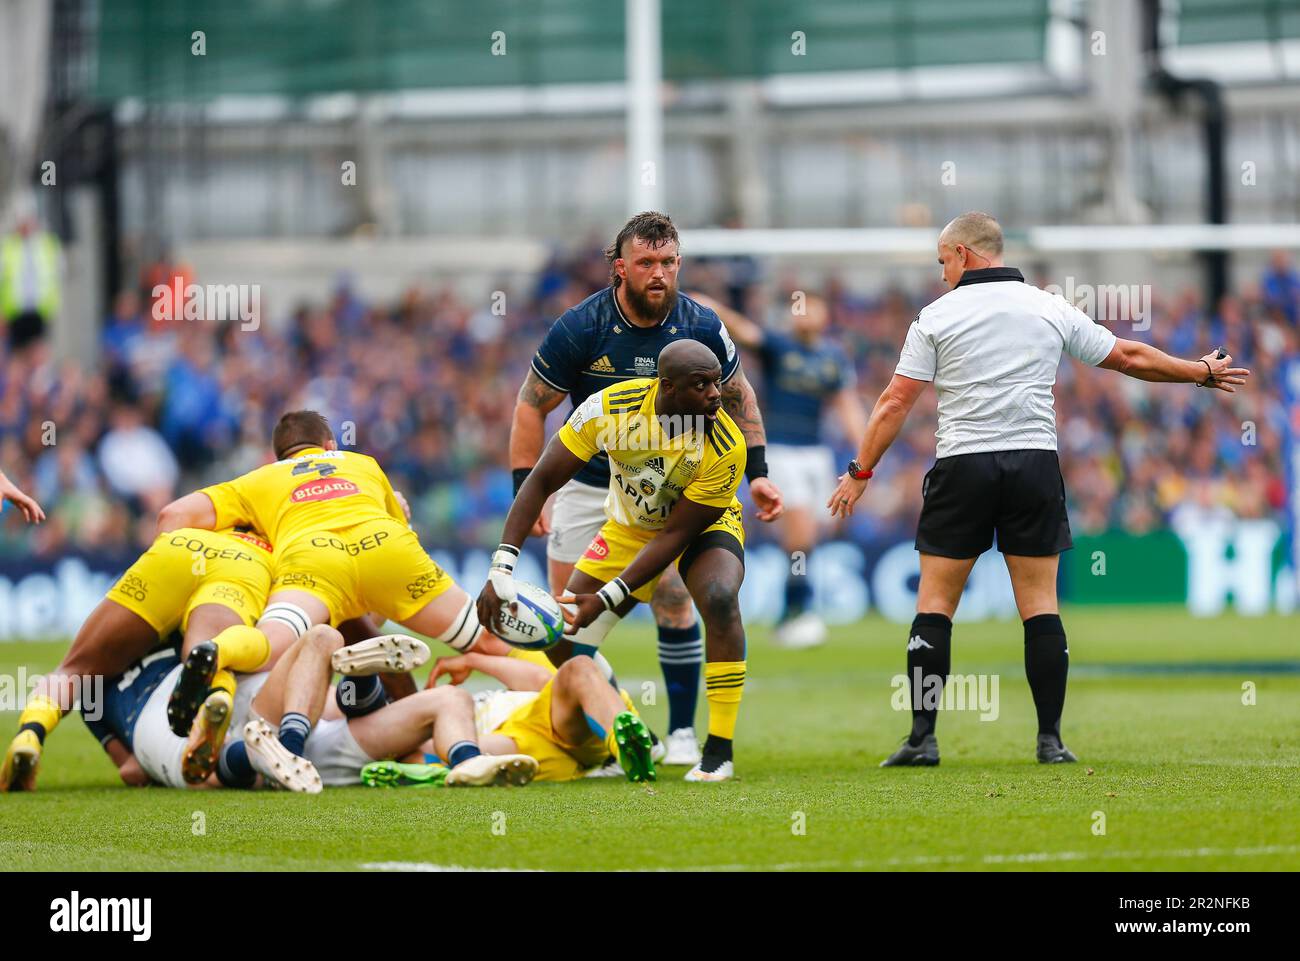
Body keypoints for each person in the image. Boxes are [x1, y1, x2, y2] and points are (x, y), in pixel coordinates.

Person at [828, 211, 1250, 767]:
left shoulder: (936, 316)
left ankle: (922, 740)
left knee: (934, 604)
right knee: (1040, 606)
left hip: (963, 467)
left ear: (963, 254)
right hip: (1032, 464)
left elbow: (893, 402)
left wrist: (860, 473)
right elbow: (1128, 356)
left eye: (941, 262)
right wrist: (1198, 371)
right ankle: (1050, 740)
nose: (940, 273)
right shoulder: (1048, 307)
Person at [509, 211, 783, 767]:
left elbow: (740, 394)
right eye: (646, 263)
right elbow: (530, 405)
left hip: (684, 488)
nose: (659, 273)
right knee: (565, 624)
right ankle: (614, 722)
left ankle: (684, 733)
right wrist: (530, 491)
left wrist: (757, 472)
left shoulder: (701, 323)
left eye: (669, 262)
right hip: (593, 485)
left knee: (677, 598)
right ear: (620, 269)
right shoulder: (581, 327)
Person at [479, 340, 751, 782]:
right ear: (667, 387)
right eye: (701, 385)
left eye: (717, 382)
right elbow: (542, 478)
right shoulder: (610, 409)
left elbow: (676, 534)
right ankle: (635, 729)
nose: (716, 395)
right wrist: (501, 567)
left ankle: (718, 748)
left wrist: (608, 596)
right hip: (628, 527)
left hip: (702, 526)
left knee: (719, 597)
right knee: (560, 637)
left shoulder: (725, 443)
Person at [153, 410, 498, 756]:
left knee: (272, 645)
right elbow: (394, 544)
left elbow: (172, 516)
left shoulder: (260, 479)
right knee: (488, 638)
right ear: (329, 445)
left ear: (280, 457)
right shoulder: (363, 464)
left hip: (312, 563)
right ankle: (541, 700)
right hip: (386, 550)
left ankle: (222, 659)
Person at [1, 526, 273, 790]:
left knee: (71, 671)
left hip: (176, 552)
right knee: (218, 651)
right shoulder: (180, 634)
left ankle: (31, 732)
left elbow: (130, 770)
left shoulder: (91, 695)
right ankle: (227, 701)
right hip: (172, 691)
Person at [695, 291, 866, 647]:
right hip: (782, 452)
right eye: (797, 307)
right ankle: (799, 611)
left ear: (824, 314)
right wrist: (701, 303)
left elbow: (846, 406)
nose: (803, 313)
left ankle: (788, 612)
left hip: (817, 455)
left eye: (810, 306)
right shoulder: (778, 347)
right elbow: (741, 330)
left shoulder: (832, 357)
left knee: (811, 539)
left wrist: (866, 453)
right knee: (800, 536)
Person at [232, 625, 538, 792]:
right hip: (267, 737)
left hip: (326, 737)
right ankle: (357, 681)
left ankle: (469, 762)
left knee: (452, 697)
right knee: (325, 641)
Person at [363, 648, 656, 785]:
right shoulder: (440, 715)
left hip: (544, 723)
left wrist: (472, 660)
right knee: (579, 667)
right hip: (517, 746)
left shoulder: (456, 706)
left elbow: (540, 678)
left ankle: (627, 746)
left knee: (579, 667)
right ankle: (626, 749)